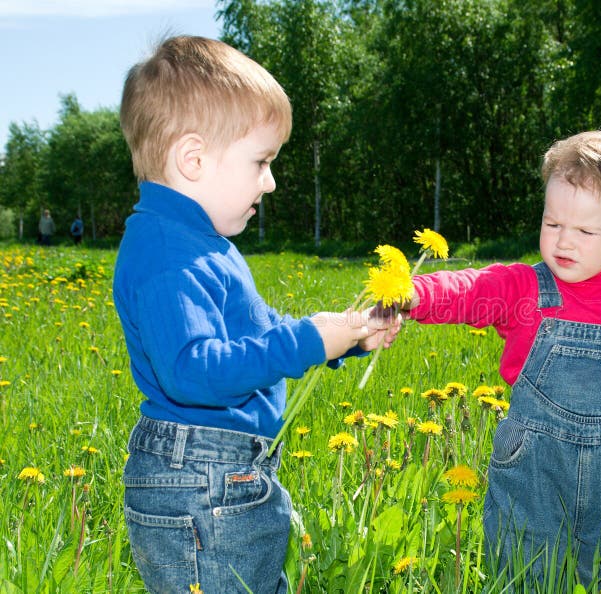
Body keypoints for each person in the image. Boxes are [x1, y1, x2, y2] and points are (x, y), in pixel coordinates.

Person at [113, 35, 400, 594]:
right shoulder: (169, 253)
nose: (269, 181)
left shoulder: (201, 241)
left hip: (218, 475)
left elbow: (258, 331)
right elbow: (193, 371)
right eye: (261, 161)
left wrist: (343, 337)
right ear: (192, 159)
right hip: (199, 479)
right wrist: (307, 342)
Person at [403, 129, 601, 593]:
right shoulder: (526, 291)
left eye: (586, 231)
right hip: (534, 474)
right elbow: (471, 289)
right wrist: (414, 292)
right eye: (552, 224)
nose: (564, 242)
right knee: (524, 571)